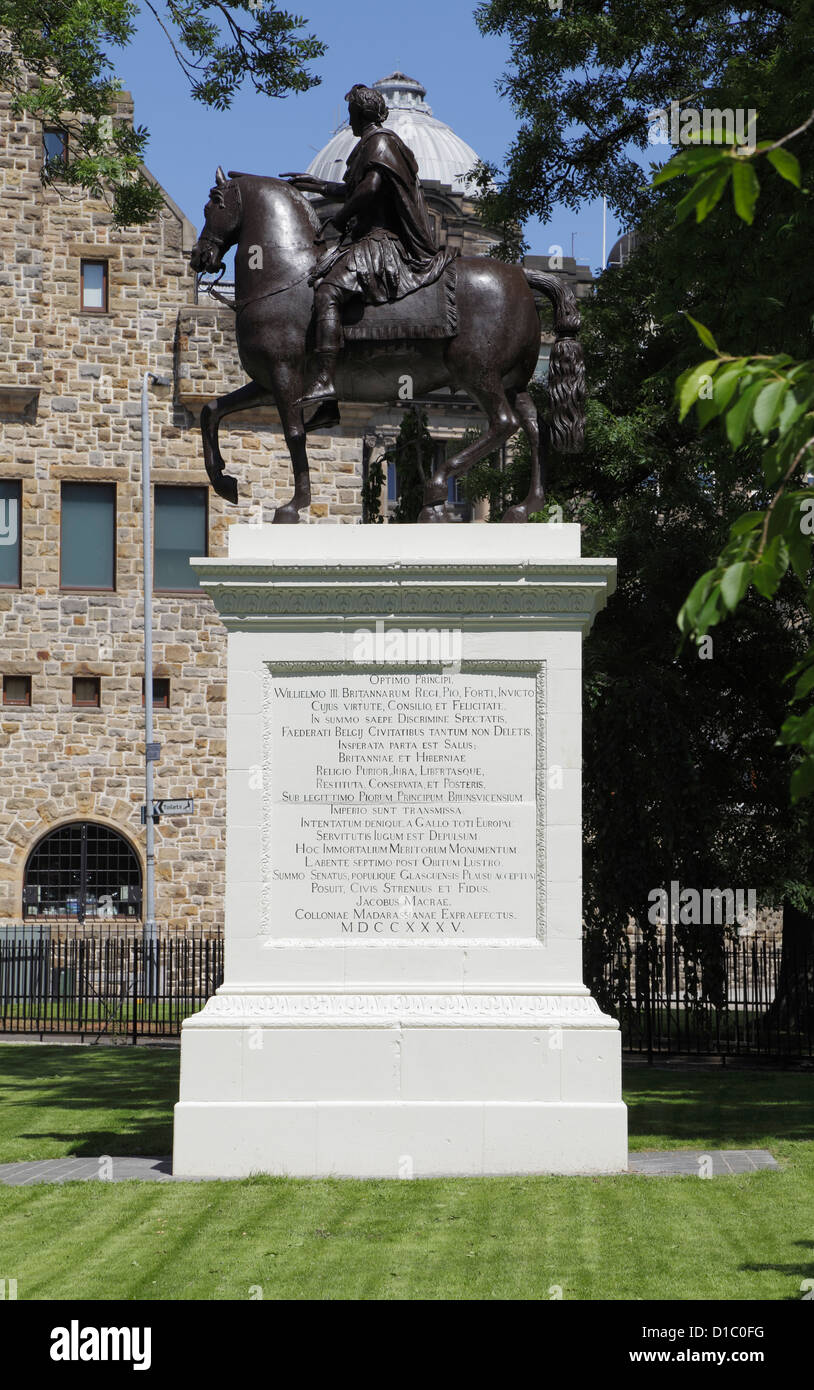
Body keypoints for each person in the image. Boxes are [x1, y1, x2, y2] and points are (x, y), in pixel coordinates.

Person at [281, 82, 454, 407]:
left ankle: (325, 383)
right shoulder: (372, 145)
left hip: (381, 242)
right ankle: (330, 398)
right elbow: (356, 187)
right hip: (371, 238)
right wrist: (319, 185)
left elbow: (370, 188)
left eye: (351, 113)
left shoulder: (380, 142)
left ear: (362, 113)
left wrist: (342, 216)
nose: (348, 121)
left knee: (328, 291)